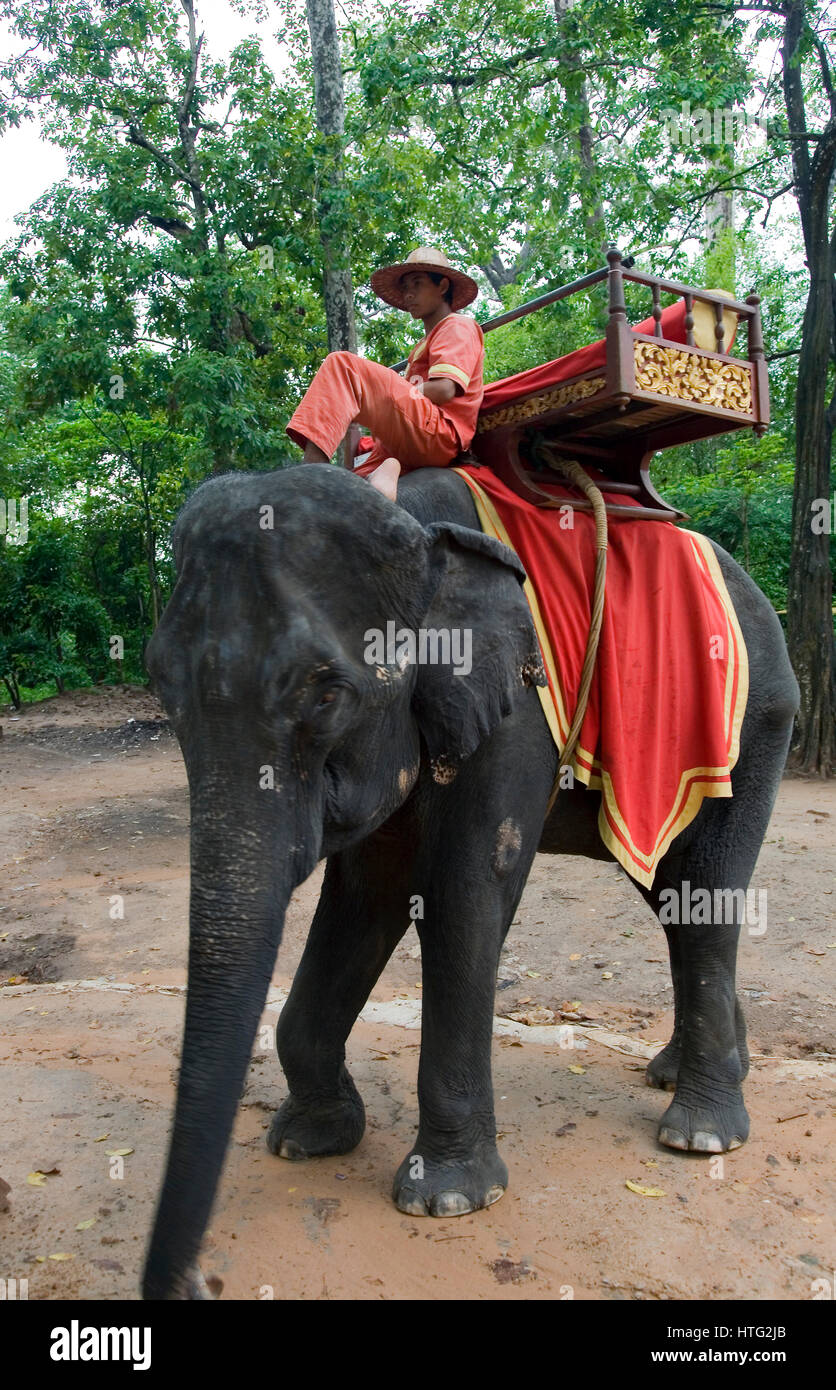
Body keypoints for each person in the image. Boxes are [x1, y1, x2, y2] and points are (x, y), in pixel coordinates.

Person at [285, 247, 485, 501]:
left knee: (342, 365)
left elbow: (445, 388)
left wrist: (391, 394)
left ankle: (310, 476)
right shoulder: (423, 343)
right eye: (405, 288)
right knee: (350, 493)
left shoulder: (458, 325)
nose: (408, 293)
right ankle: (387, 470)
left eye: (417, 283)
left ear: (443, 286)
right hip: (410, 439)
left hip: (439, 434)